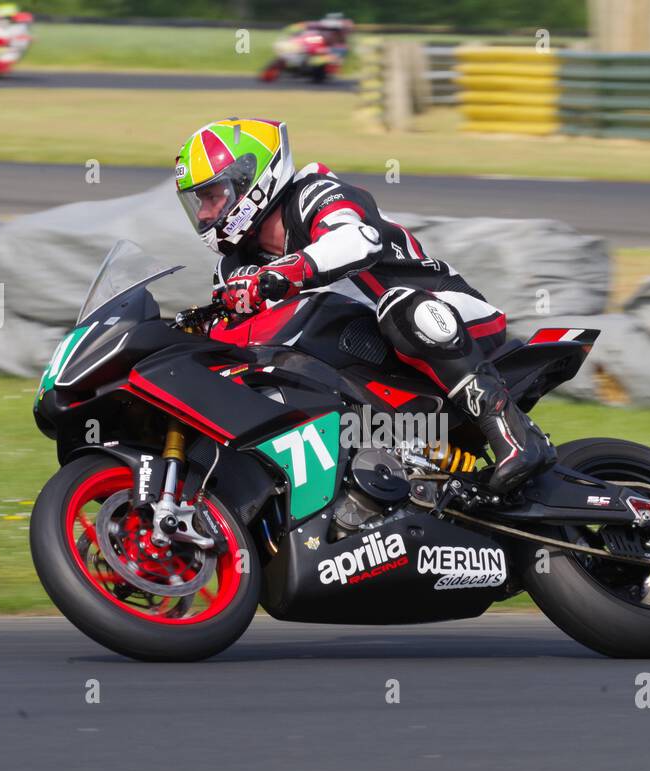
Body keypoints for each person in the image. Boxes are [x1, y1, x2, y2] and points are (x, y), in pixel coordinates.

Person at [174, 117, 555, 495]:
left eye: (212, 196)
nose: (205, 214)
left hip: (452, 319)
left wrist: (281, 273)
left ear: (250, 183)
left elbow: (358, 242)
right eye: (199, 202)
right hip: (374, 355)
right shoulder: (233, 266)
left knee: (398, 306)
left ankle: (513, 433)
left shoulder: (315, 194)